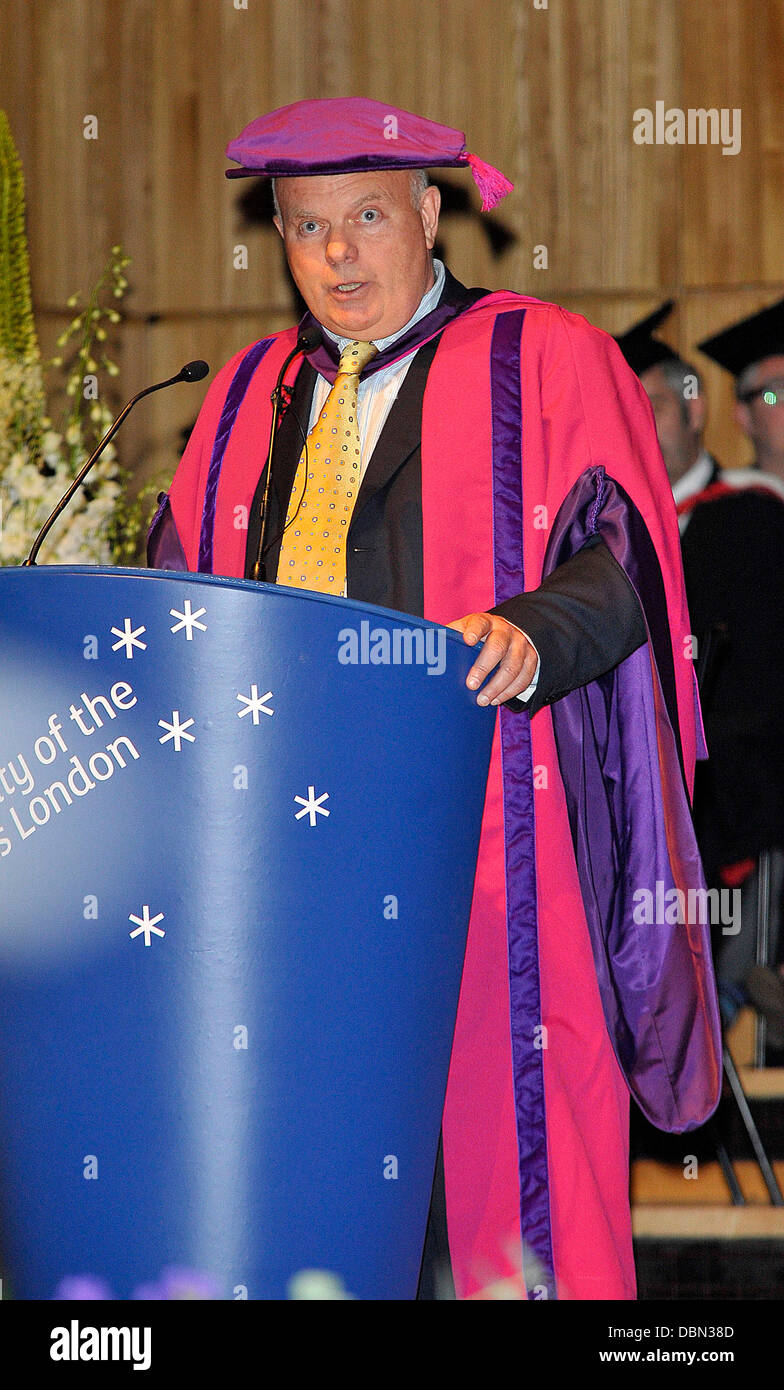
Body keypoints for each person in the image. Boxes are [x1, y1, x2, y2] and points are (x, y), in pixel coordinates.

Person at [148, 97, 721, 1300]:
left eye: (365, 218)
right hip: (287, 866)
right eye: (306, 230)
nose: (337, 255)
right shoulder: (245, 392)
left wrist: (532, 629)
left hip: (487, 831)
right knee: (317, 1177)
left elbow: (624, 556)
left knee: (499, 1179)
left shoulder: (543, 354)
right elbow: (175, 592)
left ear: (428, 211)